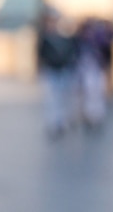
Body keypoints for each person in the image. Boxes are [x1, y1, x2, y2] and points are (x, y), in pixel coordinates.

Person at [36, 8, 79, 139]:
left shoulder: (65, 36)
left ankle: (61, 122)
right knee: (52, 98)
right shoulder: (45, 37)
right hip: (51, 70)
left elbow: (72, 52)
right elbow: (40, 54)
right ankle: (53, 123)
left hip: (63, 70)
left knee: (63, 98)